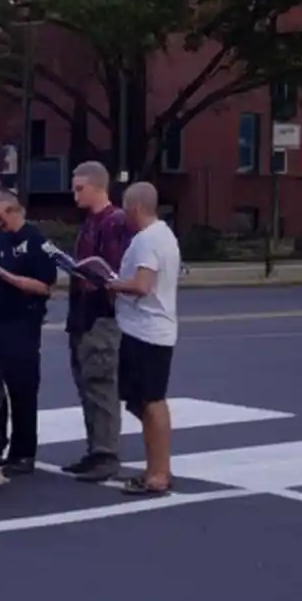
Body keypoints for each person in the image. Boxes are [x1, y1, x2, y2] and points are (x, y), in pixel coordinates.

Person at [0, 189, 58, 477]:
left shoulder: (36, 243)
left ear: (13, 211)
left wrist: (5, 276)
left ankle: (23, 453)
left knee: (21, 389)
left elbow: (44, 286)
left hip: (20, 323)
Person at [107, 182, 180, 496]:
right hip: (147, 330)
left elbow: (142, 285)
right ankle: (155, 468)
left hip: (147, 332)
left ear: (135, 208)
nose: (123, 215)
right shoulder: (164, 234)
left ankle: (159, 474)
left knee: (151, 402)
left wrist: (110, 284)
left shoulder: (147, 240)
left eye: (125, 208)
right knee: (142, 400)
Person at [63, 161, 133, 482]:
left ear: (97, 187)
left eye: (79, 188)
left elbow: (115, 273)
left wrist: (94, 277)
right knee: (86, 385)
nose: (74, 194)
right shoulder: (90, 223)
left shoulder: (114, 222)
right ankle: (95, 450)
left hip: (101, 315)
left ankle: (107, 453)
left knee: (101, 384)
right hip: (81, 313)